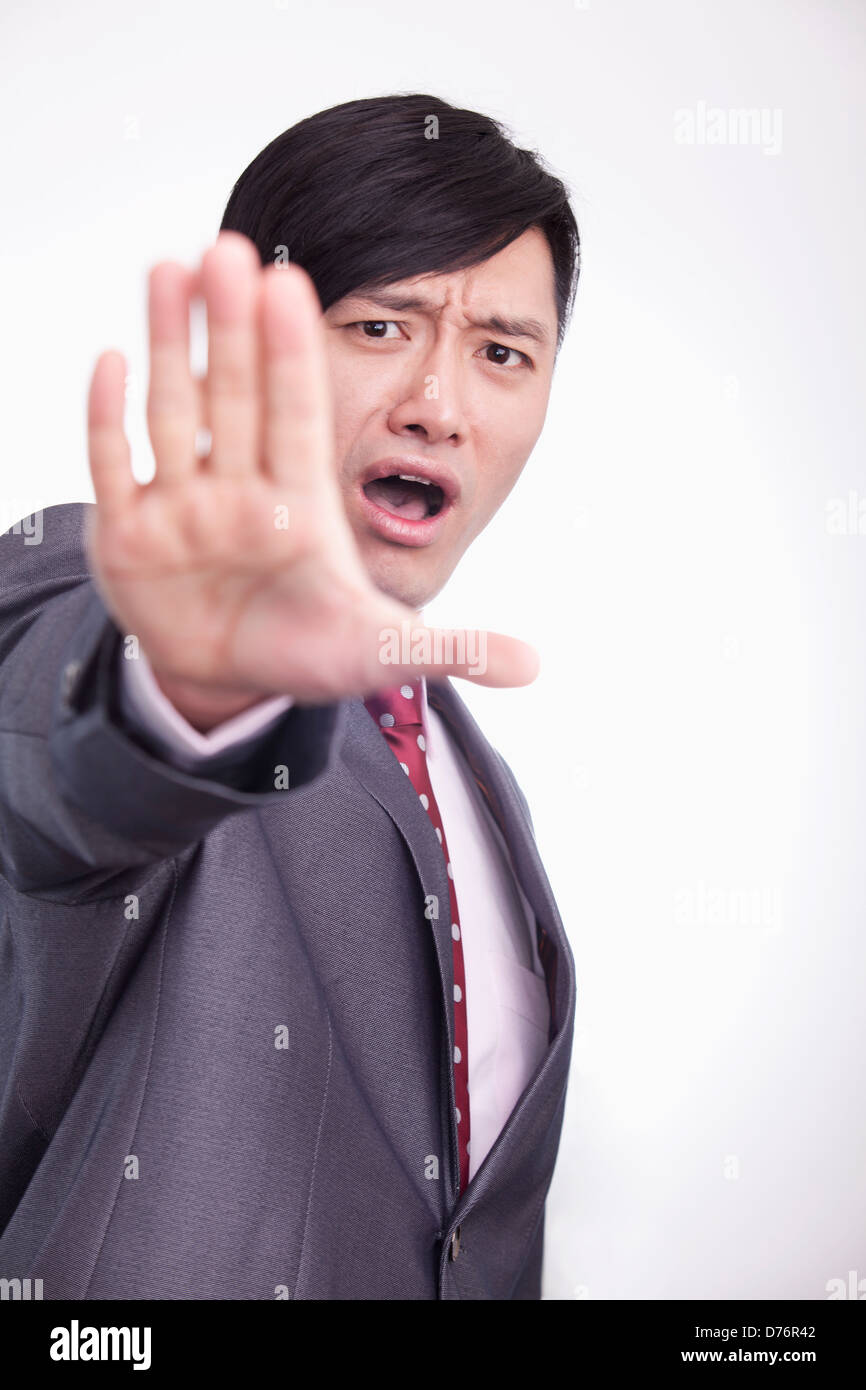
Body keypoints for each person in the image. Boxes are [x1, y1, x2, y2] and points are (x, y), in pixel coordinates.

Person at [0, 93, 579, 1300]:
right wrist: (186, 694)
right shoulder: (87, 586)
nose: (439, 403)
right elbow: (57, 771)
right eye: (380, 326)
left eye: (501, 353)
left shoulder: (478, 779)